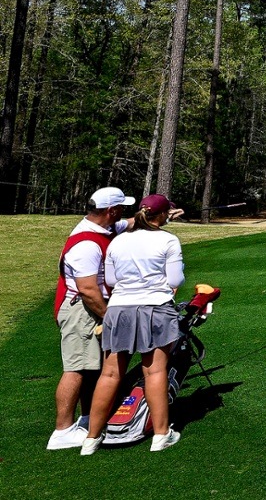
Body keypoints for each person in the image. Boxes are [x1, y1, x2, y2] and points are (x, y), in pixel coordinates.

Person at [81, 193, 185, 455]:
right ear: (163, 215)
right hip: (155, 307)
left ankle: (91, 439)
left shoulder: (118, 241)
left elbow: (112, 280)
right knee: (155, 371)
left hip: (119, 309)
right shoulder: (168, 240)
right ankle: (161, 435)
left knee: (110, 373)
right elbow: (175, 279)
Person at [48, 187, 134, 450]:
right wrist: (109, 317)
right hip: (82, 310)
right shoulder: (87, 244)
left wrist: (158, 214)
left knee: (91, 367)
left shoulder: (102, 228)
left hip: (89, 309)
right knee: (76, 368)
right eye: (121, 207)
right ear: (111, 210)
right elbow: (87, 290)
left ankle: (87, 419)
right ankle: (62, 431)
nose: (123, 212)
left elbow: (128, 223)